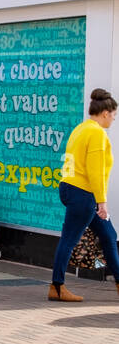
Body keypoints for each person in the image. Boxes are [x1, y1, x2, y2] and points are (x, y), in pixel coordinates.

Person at [49, 88, 119, 302]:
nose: (114, 119)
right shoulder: (97, 133)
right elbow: (95, 170)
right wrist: (102, 202)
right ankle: (57, 287)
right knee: (69, 239)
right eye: (114, 115)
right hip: (84, 193)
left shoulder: (80, 129)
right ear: (105, 113)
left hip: (71, 188)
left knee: (109, 236)